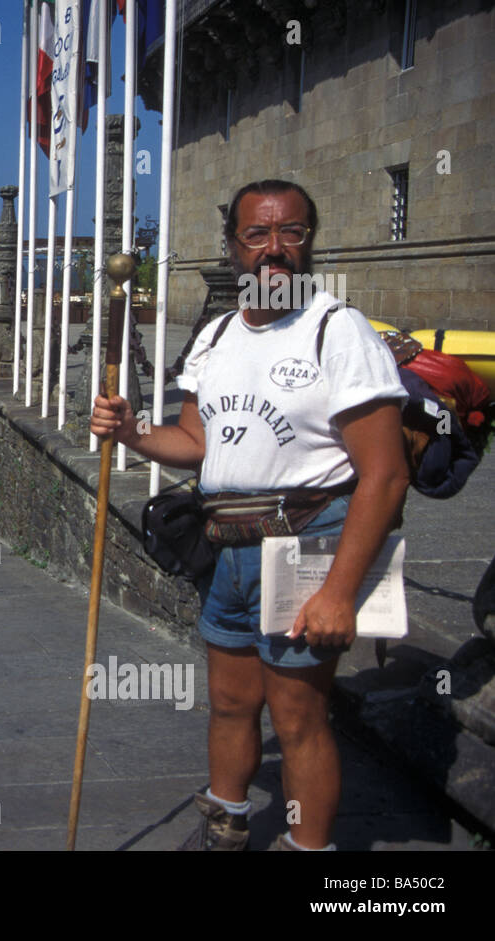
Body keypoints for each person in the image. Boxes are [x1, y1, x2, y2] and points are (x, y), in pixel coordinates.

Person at [90, 180, 409, 852]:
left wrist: (339, 592)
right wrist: (131, 431)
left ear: (309, 241)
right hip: (226, 546)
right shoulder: (216, 336)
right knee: (231, 703)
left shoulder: (335, 329)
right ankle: (227, 824)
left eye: (290, 232)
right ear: (233, 248)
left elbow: (384, 473)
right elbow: (197, 443)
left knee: (298, 718)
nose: (274, 250)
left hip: (306, 542)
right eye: (257, 235)